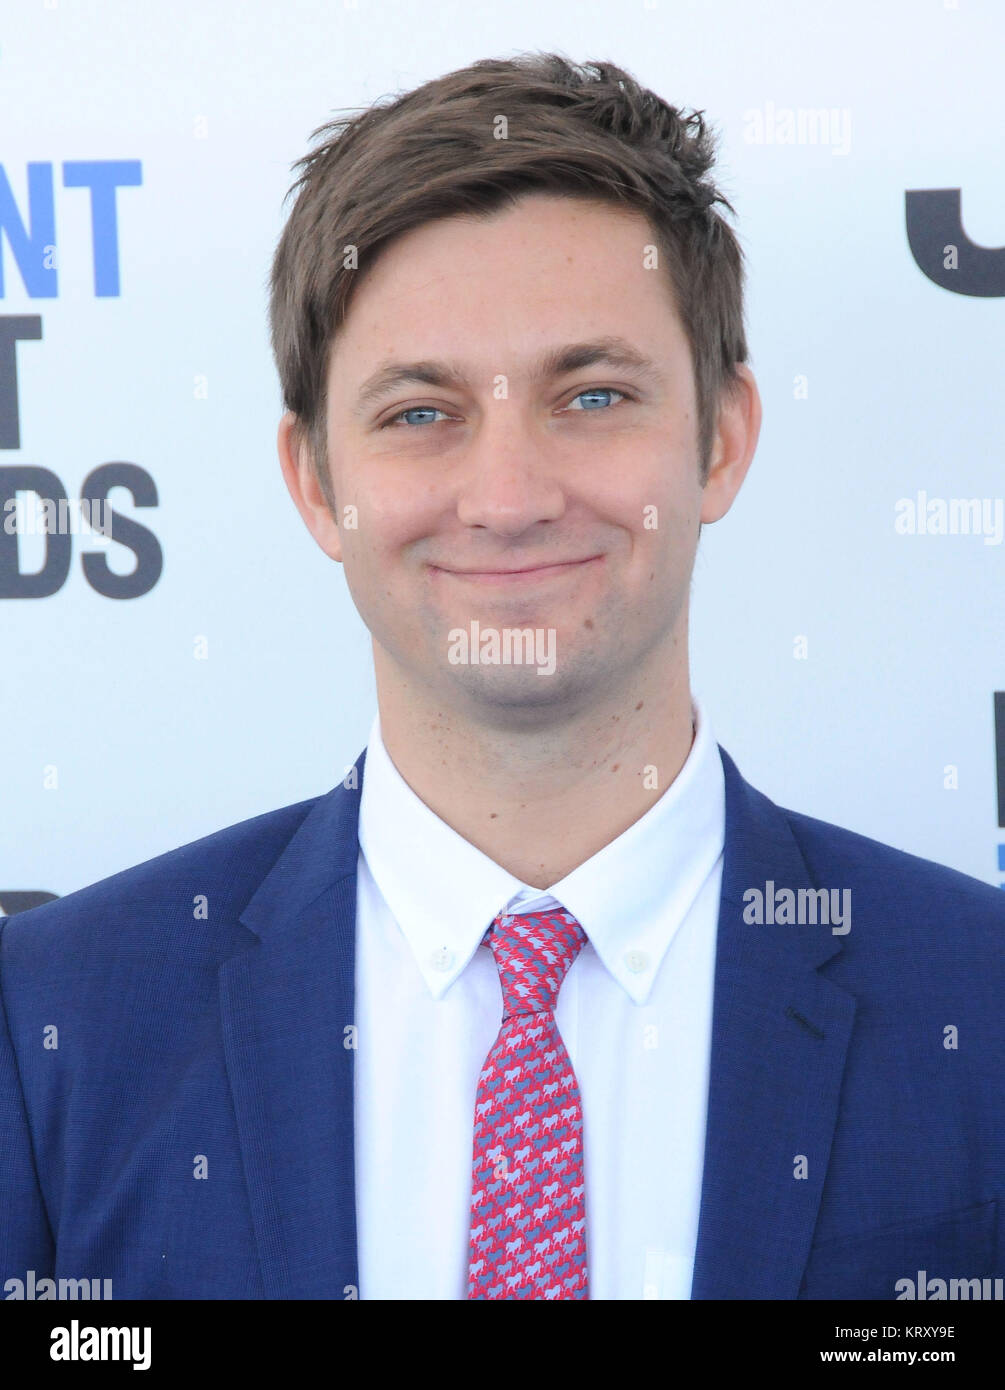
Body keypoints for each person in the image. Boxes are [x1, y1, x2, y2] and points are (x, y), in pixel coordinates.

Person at [2, 53, 1002, 1302]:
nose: (513, 499)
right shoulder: (58, 1025)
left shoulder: (980, 999)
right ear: (316, 482)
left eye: (591, 394)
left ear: (722, 442)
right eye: (421, 413)